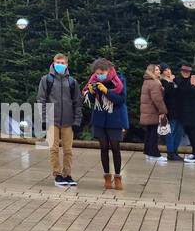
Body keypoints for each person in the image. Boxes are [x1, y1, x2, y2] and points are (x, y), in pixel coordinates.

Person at [37, 53, 81, 187]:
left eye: (63, 63)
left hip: (68, 120)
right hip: (52, 120)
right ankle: (57, 175)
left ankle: (67, 174)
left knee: (68, 150)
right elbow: (41, 99)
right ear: (53, 62)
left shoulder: (72, 82)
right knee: (54, 149)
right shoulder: (46, 80)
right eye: (58, 62)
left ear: (67, 64)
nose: (60, 65)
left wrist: (77, 120)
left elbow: (77, 102)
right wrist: (43, 118)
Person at [85, 58, 128, 190]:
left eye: (102, 72)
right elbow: (90, 100)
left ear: (109, 70)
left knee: (115, 147)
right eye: (97, 73)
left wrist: (106, 91)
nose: (100, 75)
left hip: (115, 119)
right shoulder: (94, 80)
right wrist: (91, 93)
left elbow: (121, 99)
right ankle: (107, 177)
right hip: (99, 118)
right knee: (103, 147)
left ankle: (118, 177)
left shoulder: (118, 80)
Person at [172, 62, 195, 164]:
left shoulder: (193, 80)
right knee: (191, 134)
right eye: (184, 71)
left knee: (194, 134)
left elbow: (190, 93)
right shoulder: (179, 80)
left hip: (193, 112)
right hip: (185, 113)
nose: (185, 73)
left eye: (187, 71)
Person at [139, 63, 168, 163]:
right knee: (154, 134)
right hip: (153, 111)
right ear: (151, 72)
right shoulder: (155, 83)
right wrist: (163, 111)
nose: (159, 71)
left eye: (159, 70)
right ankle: (155, 154)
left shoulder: (146, 81)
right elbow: (158, 100)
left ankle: (148, 153)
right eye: (156, 70)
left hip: (147, 111)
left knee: (149, 133)